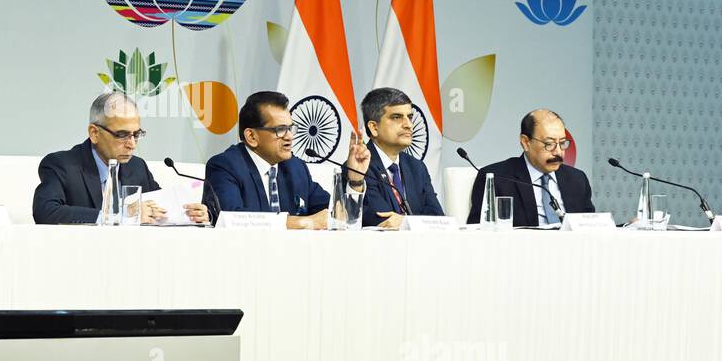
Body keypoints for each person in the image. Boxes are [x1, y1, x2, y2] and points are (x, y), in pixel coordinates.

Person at [32, 92, 210, 225]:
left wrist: (188, 213)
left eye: (137, 134)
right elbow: (46, 212)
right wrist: (118, 217)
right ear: (94, 133)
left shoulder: (137, 167)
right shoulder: (62, 165)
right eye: (122, 135)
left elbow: (159, 207)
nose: (132, 144)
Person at [203, 90, 369, 229]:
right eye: (280, 130)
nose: (290, 137)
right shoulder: (225, 166)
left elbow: (337, 216)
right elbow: (230, 219)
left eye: (291, 128)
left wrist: (355, 181)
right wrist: (302, 222)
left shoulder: (295, 168)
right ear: (252, 136)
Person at [466, 108, 594, 227]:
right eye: (549, 144)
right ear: (526, 142)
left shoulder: (577, 179)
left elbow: (591, 228)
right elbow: (477, 232)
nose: (559, 152)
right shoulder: (496, 178)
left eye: (562, 143)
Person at [359, 87, 444, 228]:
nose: (408, 125)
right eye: (397, 117)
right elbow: (383, 221)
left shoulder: (417, 167)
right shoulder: (360, 167)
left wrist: (405, 222)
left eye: (409, 117)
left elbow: (437, 217)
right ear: (374, 127)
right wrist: (416, 222)